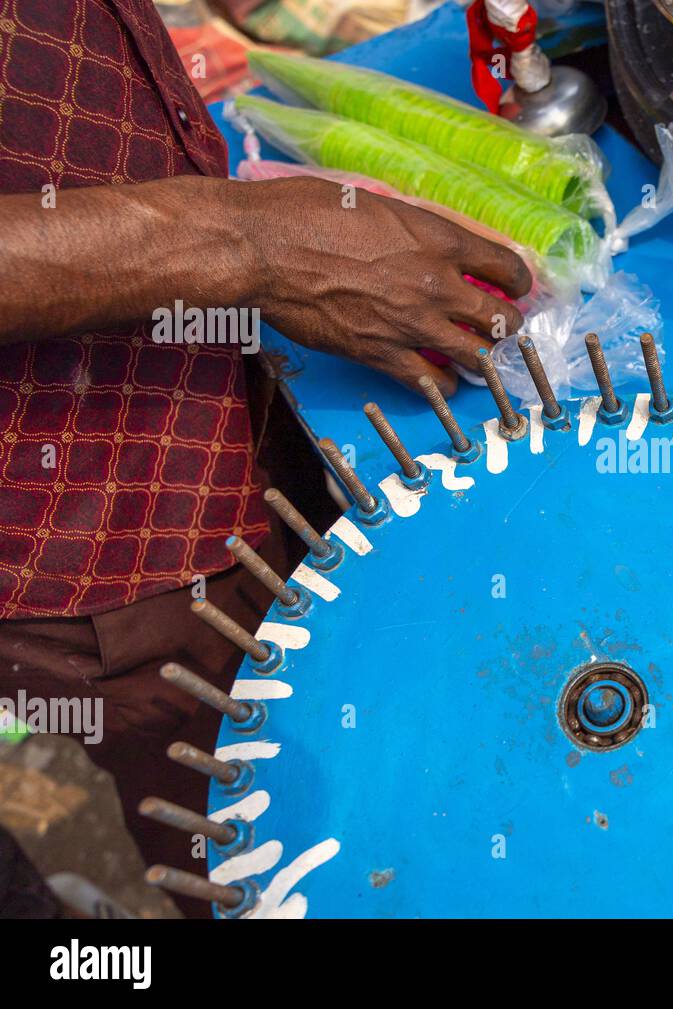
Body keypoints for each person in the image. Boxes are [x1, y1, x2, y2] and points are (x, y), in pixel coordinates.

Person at [0, 0, 529, 906]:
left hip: (245, 396)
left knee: (401, 736)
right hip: (82, 545)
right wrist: (247, 242)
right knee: (228, 850)